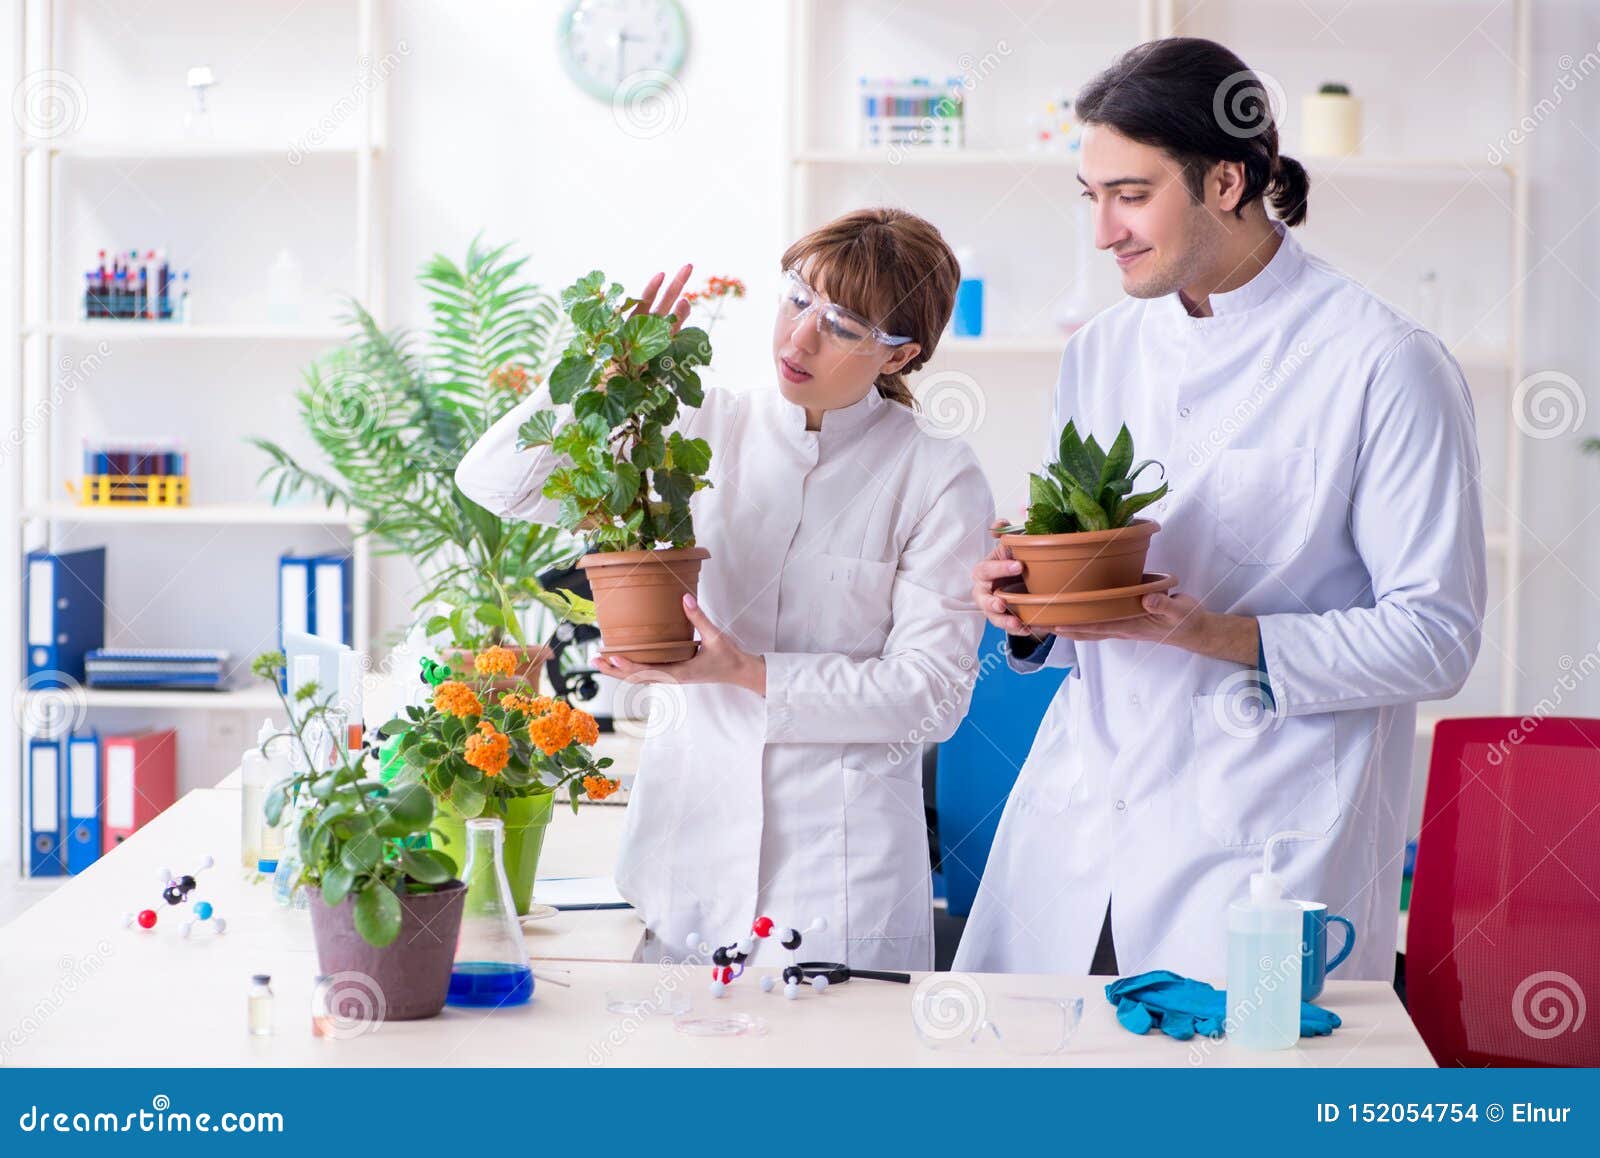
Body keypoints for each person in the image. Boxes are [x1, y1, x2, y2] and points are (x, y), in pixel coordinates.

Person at [954, 38, 1486, 982]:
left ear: (1228, 181)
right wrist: (1031, 610)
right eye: (1092, 196)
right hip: (1080, 834)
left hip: (1257, 847)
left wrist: (1215, 635)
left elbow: (1436, 640)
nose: (1103, 232)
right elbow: (1091, 592)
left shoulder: (1384, 363)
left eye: (1131, 194)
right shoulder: (1100, 353)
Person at [455, 208, 994, 970]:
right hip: (684, 872)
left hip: (842, 890)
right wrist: (599, 375)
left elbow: (933, 696)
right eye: (797, 299)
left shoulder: (937, 474)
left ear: (900, 354)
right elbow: (493, 484)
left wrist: (751, 673)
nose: (799, 338)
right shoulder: (701, 426)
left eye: (841, 326)